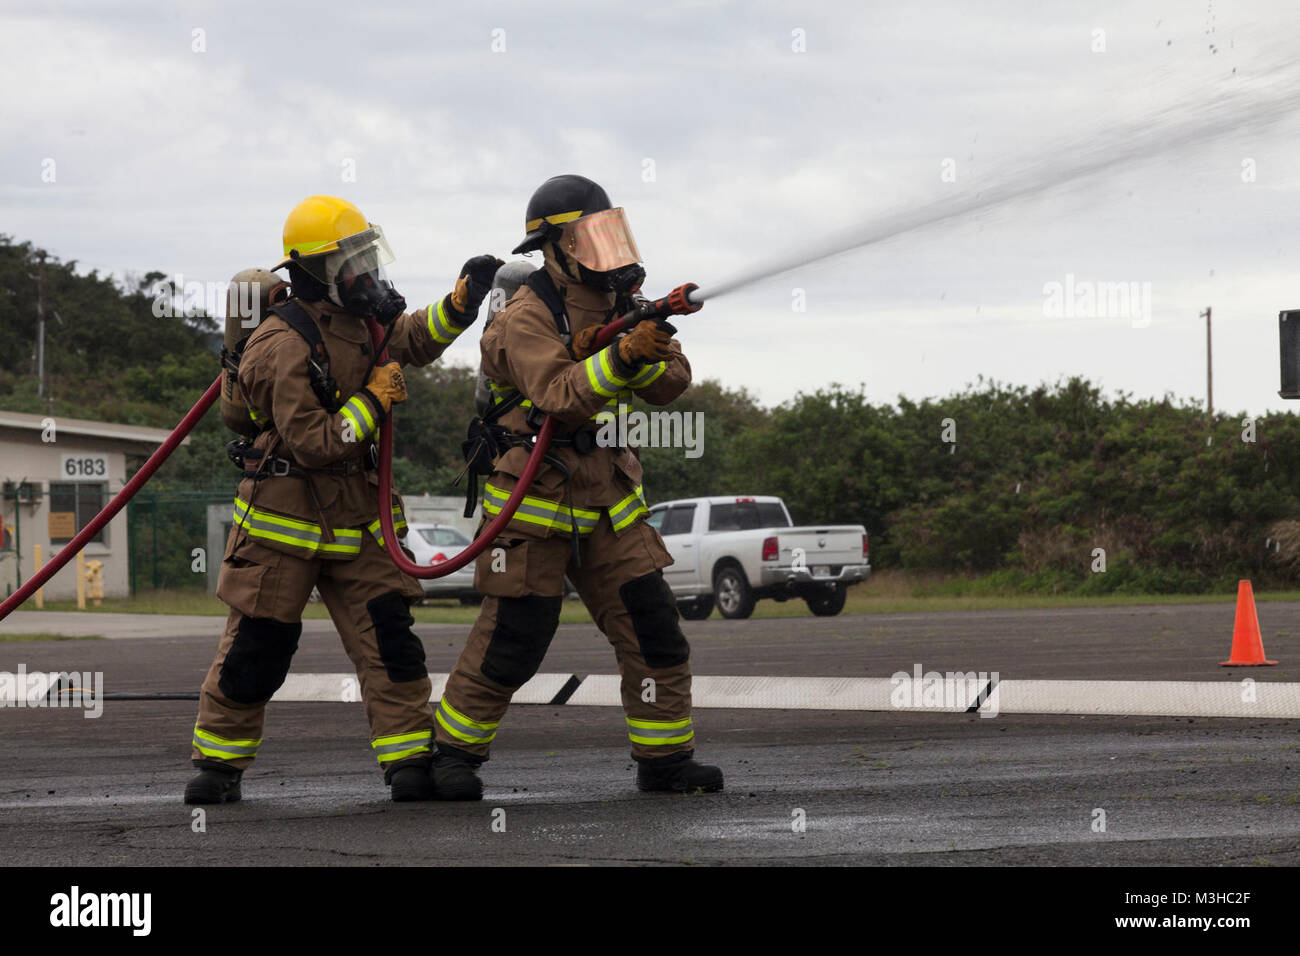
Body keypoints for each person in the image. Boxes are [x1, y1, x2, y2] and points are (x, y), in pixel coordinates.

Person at [184, 194, 500, 804]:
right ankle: (218, 767)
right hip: (284, 522)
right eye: (352, 262)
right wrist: (376, 400)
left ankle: (409, 760)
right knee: (258, 648)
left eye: (368, 258)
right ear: (317, 271)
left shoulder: (364, 324)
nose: (367, 275)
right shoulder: (280, 344)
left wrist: (462, 304)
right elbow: (314, 441)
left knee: (391, 642)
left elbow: (412, 337)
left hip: (357, 520)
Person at [431, 174, 723, 799]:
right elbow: (559, 395)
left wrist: (645, 345)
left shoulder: (624, 302)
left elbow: (673, 381)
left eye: (611, 230)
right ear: (556, 245)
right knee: (515, 635)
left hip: (610, 495)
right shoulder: (526, 315)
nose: (606, 246)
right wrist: (622, 357)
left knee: (654, 630)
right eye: (592, 235)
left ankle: (665, 758)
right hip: (534, 497)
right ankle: (453, 754)